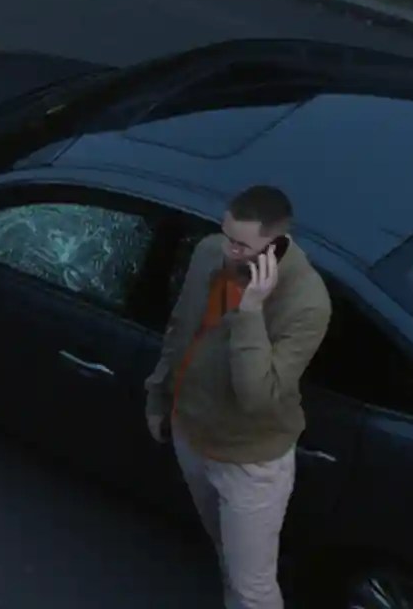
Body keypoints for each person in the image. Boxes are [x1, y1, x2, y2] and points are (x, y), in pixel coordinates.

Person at [144, 185, 332, 609]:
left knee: (253, 588)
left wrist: (250, 312)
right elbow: (180, 329)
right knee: (225, 551)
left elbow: (256, 396)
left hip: (249, 460)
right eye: (226, 235)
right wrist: (158, 395)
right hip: (191, 434)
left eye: (241, 244)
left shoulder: (306, 303)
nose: (228, 250)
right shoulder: (211, 253)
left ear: (277, 242)